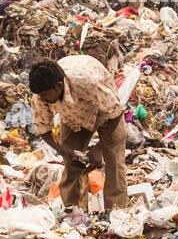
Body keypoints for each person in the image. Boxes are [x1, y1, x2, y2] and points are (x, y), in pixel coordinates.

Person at [29, 56, 129, 211]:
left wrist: (99, 148)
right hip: (73, 117)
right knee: (72, 165)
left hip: (105, 112)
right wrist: (63, 151)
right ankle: (74, 213)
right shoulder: (41, 95)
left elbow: (115, 112)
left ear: (59, 86)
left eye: (46, 95)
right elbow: (42, 128)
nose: (43, 99)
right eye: (40, 95)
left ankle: (116, 213)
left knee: (114, 162)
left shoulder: (87, 83)